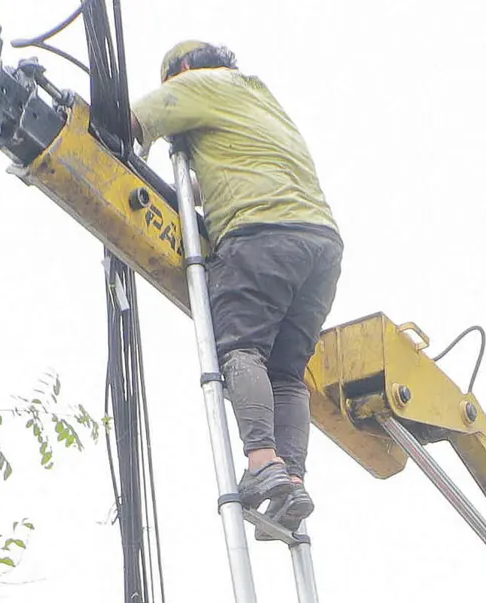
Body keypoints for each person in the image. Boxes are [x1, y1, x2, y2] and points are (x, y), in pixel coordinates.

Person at [132, 41, 340, 538]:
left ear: (182, 71)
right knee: (287, 372)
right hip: (320, 244)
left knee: (241, 350)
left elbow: (133, 119)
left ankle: (262, 461)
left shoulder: (199, 84)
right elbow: (227, 173)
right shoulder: (259, 98)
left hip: (260, 234)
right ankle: (291, 477)